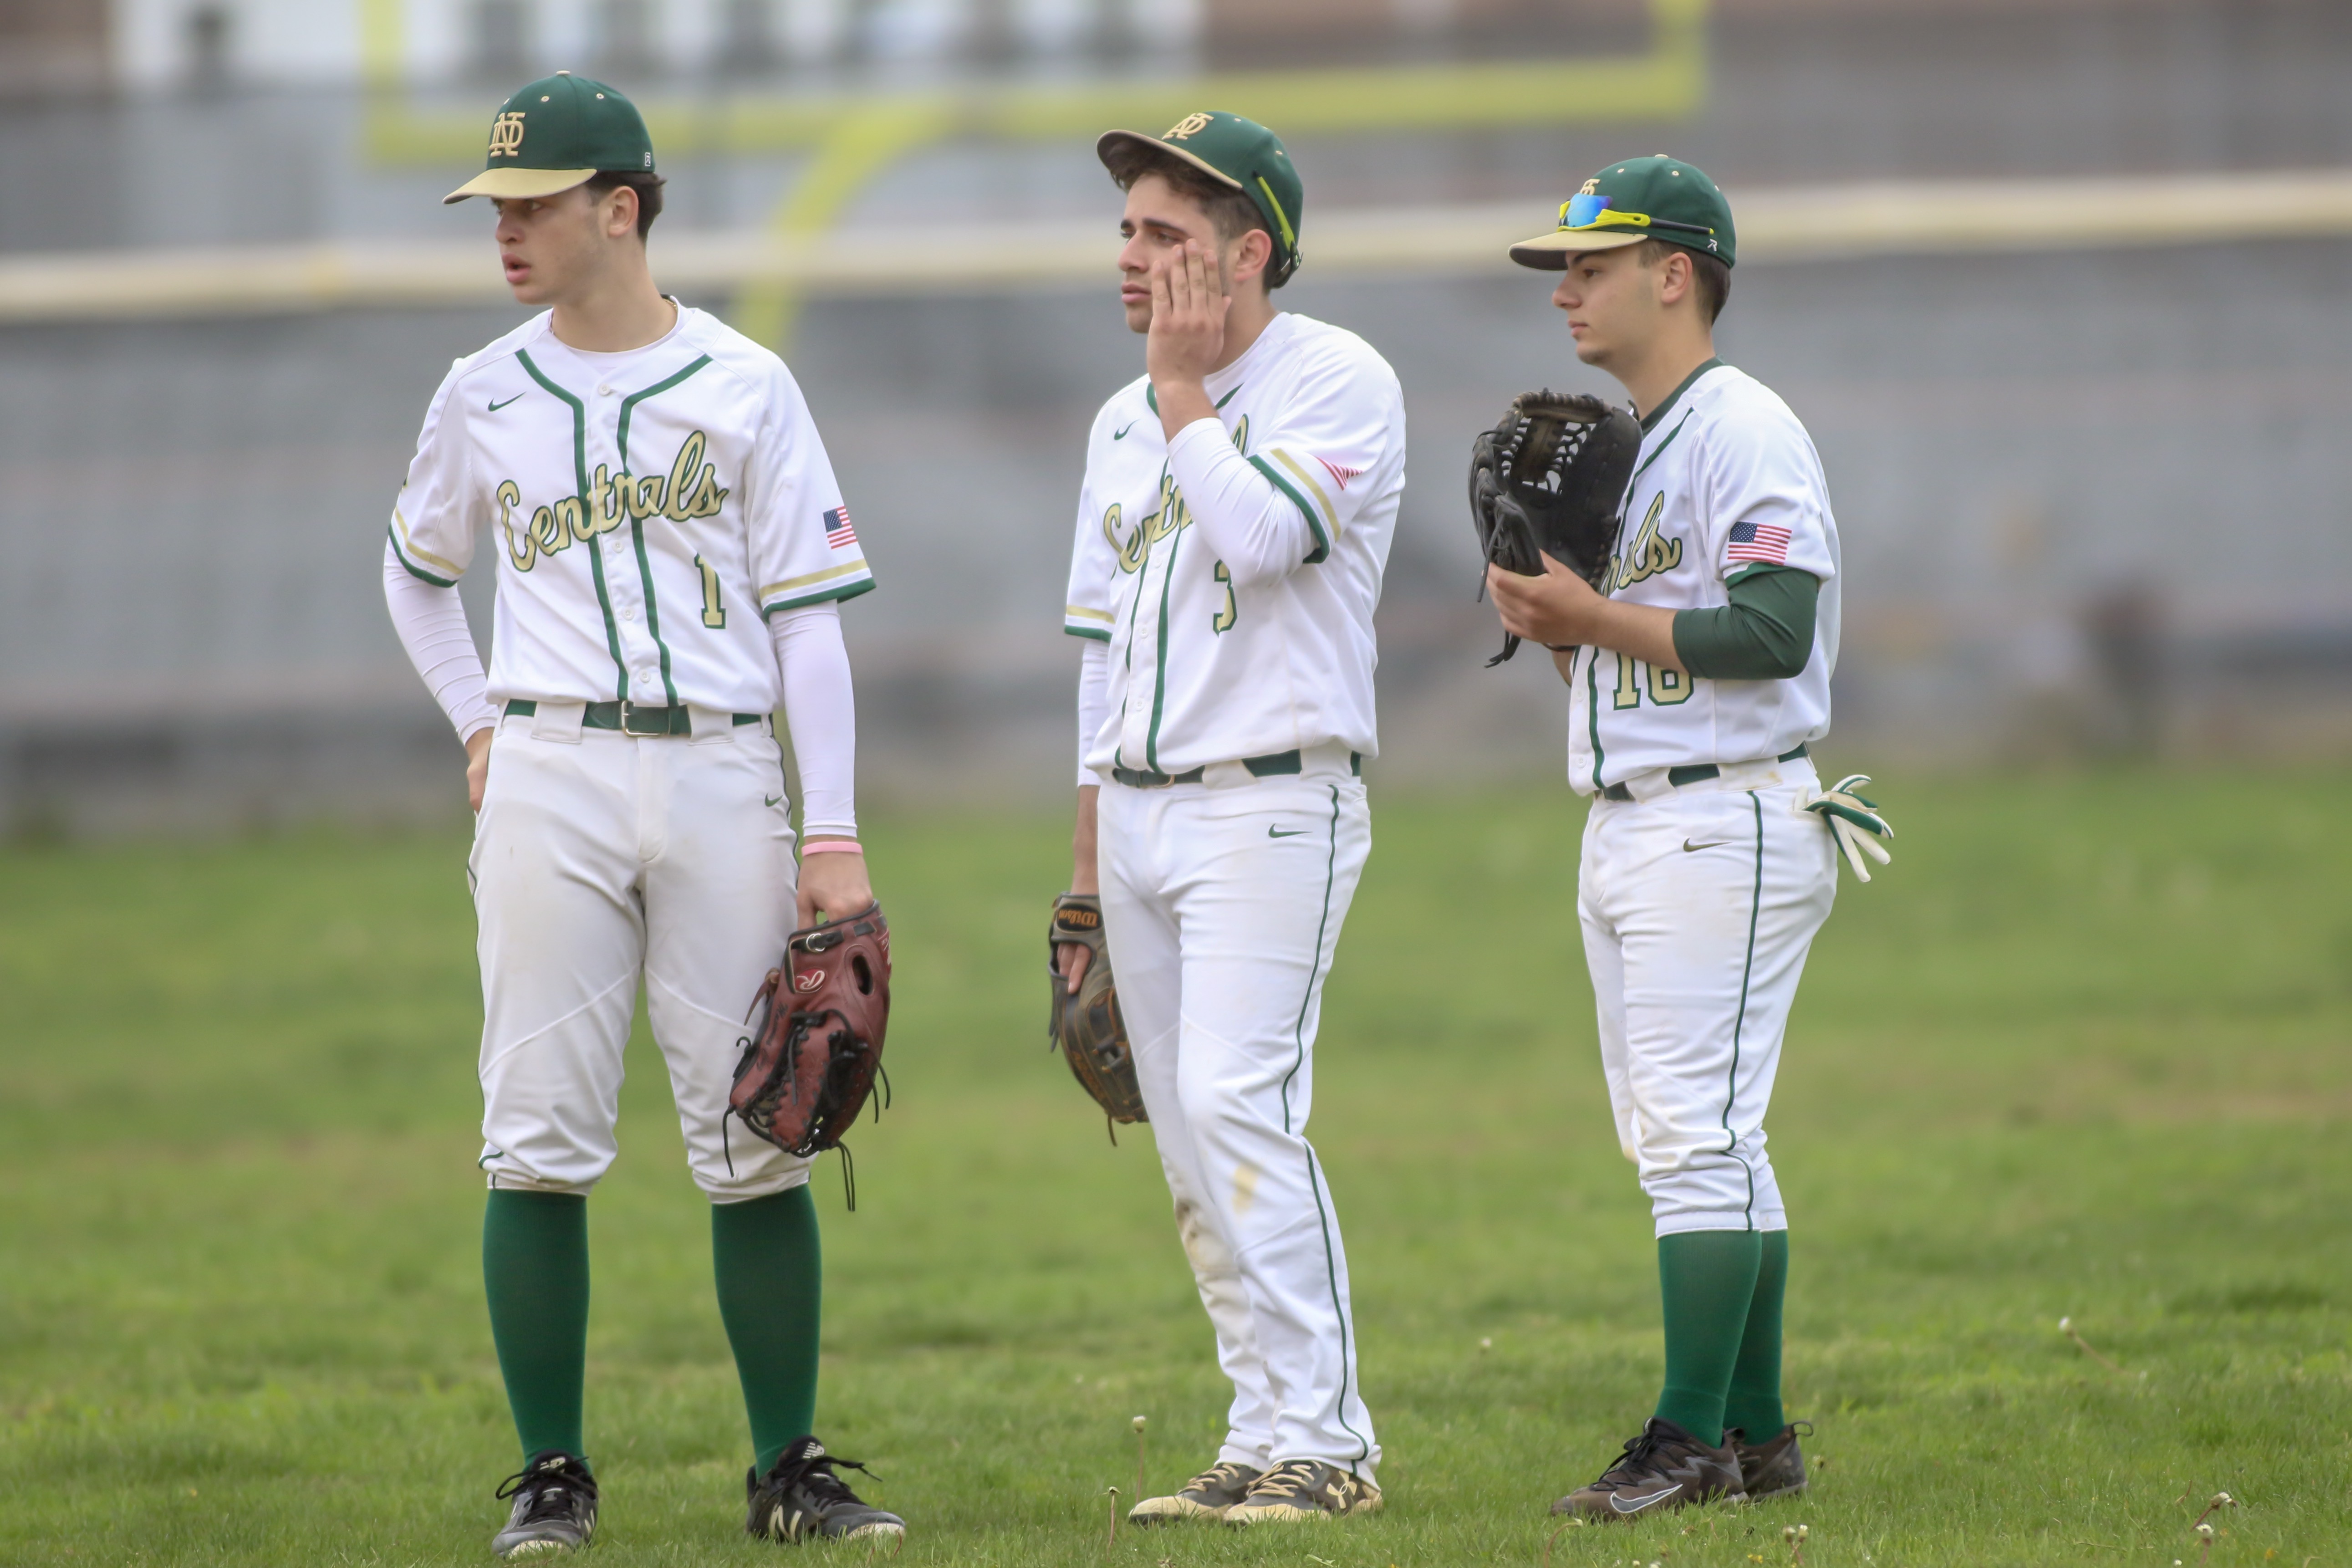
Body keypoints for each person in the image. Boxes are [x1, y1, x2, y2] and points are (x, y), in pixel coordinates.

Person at [381, 72, 902, 1556]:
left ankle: (787, 1467)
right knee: (533, 1131)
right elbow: (416, 571)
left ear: (623, 207)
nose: (509, 229)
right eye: (497, 206)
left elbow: (810, 622)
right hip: (549, 770)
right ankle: (552, 1473)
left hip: (722, 769)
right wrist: (480, 719)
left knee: (761, 1128)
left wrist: (833, 828)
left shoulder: (746, 381)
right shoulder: (481, 388)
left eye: (536, 203)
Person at [1053, 111, 1406, 1527]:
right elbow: (1098, 652)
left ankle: (1330, 1441)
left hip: (1273, 800)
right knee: (1191, 1147)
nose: (1131, 256)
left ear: (1250, 252)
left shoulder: (1336, 378)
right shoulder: (1118, 416)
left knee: (1239, 1105)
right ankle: (1260, 1430)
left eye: (1167, 235)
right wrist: (1084, 874)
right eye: (1129, 228)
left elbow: (1264, 540)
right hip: (1139, 816)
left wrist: (1186, 396)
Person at [1487, 155, 1841, 1521]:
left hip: (1727, 815)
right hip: (1639, 816)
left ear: (1675, 273)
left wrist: (1591, 620)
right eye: (1562, 271)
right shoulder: (1637, 449)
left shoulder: (1744, 424)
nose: (1565, 290)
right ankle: (1754, 1436)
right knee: (1692, 1139)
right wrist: (1555, 625)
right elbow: (1647, 658)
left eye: (1589, 264)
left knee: (1698, 1136)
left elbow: (1772, 631)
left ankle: (1688, 1439)